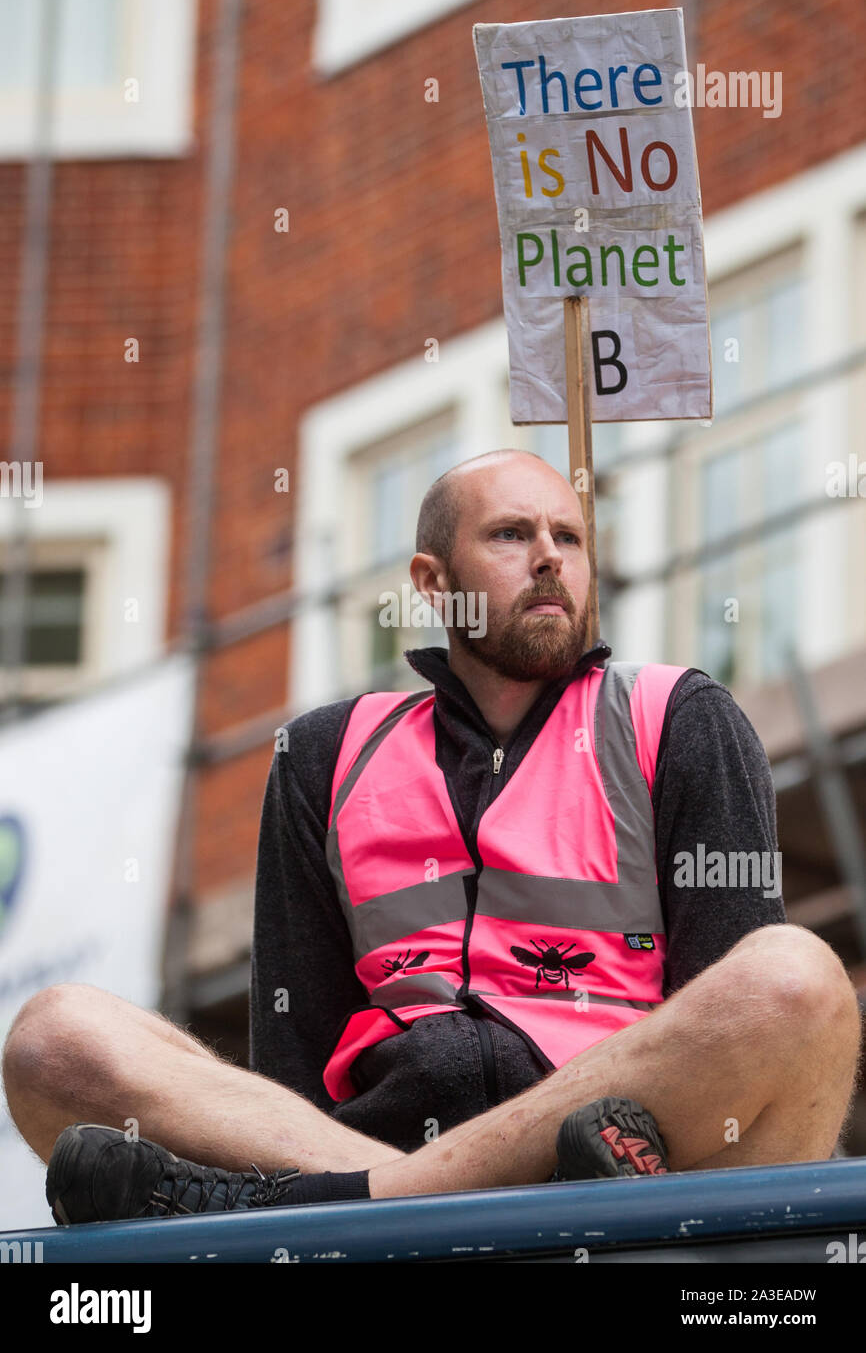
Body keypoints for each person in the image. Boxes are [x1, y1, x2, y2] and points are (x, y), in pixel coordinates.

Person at [2, 450, 861, 1224]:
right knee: (54, 1034)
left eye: (569, 535)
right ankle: (386, 1200)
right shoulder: (322, 756)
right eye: (512, 534)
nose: (550, 556)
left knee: (797, 978)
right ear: (433, 578)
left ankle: (352, 1207)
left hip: (620, 1156)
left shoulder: (678, 718)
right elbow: (288, 1070)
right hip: (361, 1147)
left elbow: (734, 1027)